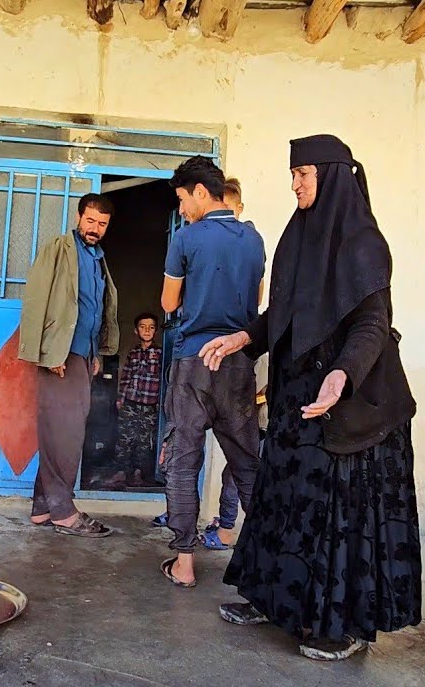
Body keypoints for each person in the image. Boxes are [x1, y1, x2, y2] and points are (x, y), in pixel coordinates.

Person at [200, 134, 421, 661]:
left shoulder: (363, 242)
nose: (295, 183)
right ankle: (270, 598)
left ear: (333, 175)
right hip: (299, 394)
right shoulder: (299, 237)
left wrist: (342, 373)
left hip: (348, 401)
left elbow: (372, 324)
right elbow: (286, 312)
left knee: (332, 514)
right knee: (283, 498)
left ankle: (339, 626)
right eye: (292, 174)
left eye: (303, 173)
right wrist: (244, 337)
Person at [158, 156, 264, 588]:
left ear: (200, 192)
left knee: (184, 461)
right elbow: (256, 301)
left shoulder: (187, 237)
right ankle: (263, 561)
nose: (182, 209)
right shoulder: (254, 239)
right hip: (238, 362)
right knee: (248, 464)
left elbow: (167, 304)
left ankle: (183, 564)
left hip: (194, 363)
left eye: (183, 200)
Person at [18, 193, 119, 537]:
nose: (95, 228)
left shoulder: (98, 258)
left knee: (63, 431)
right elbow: (36, 300)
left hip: (82, 355)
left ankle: (42, 507)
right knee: (64, 434)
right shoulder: (58, 249)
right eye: (90, 221)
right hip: (59, 356)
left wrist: (96, 354)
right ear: (79, 217)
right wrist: (48, 354)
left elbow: (95, 309)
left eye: (102, 224)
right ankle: (63, 511)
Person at [200, 177, 266, 551]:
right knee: (234, 461)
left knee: (241, 464)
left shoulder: (250, 244)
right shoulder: (206, 240)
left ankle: (229, 531)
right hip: (223, 357)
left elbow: (255, 303)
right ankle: (224, 528)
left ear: (238, 207)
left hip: (242, 361)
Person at [115, 313, 163, 487]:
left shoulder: (160, 353)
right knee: (124, 437)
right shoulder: (134, 352)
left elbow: (163, 379)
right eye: (142, 327)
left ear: (156, 331)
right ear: (136, 331)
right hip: (130, 402)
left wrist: (160, 402)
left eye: (151, 327)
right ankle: (121, 472)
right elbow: (126, 375)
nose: (147, 330)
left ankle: (138, 473)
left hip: (150, 405)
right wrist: (121, 398)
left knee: (143, 441)